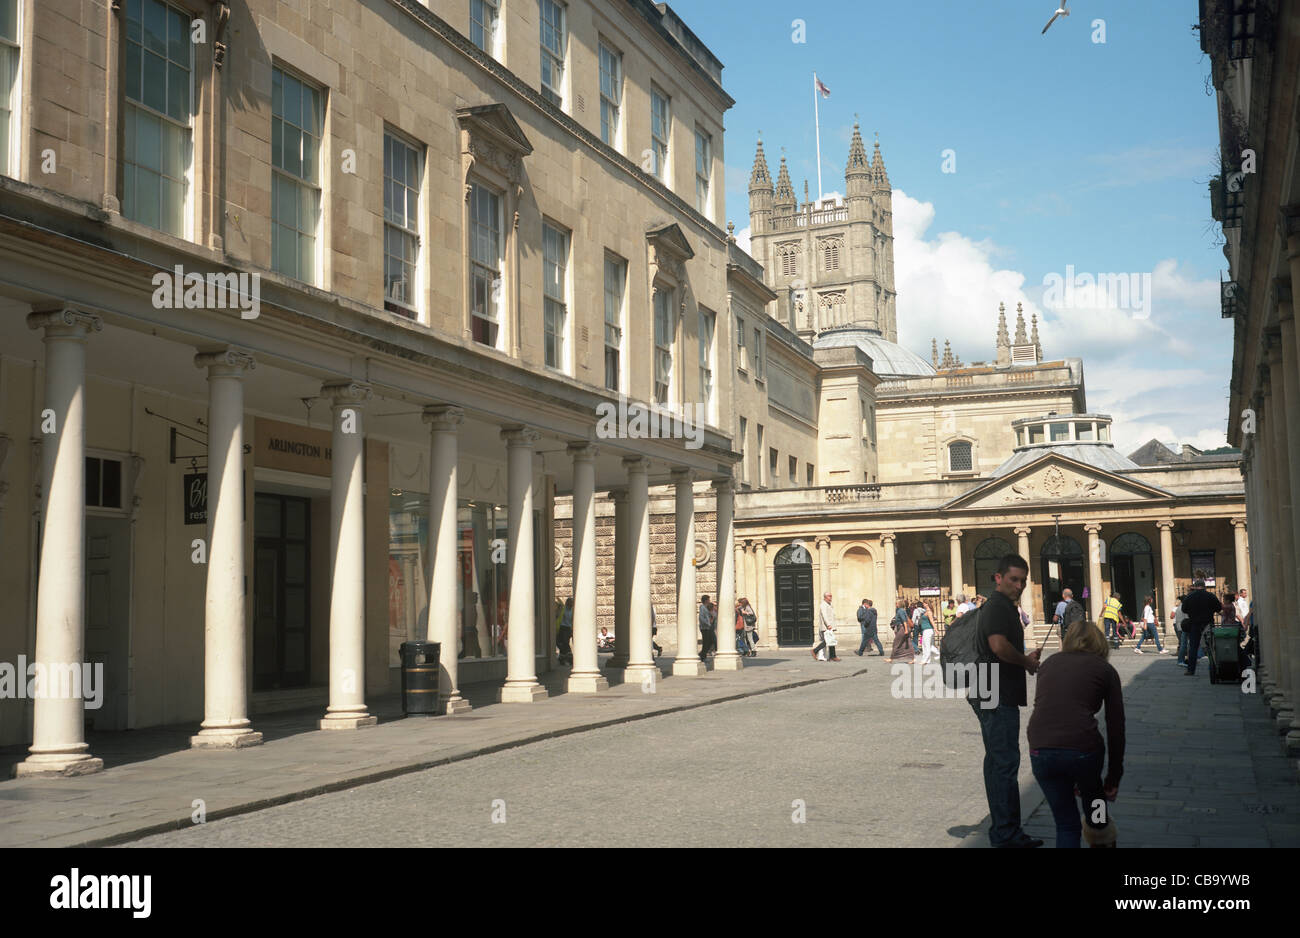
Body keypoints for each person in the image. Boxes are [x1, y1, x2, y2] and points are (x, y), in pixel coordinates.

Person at [1027, 613, 1125, 848]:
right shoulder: (1105, 670)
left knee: (1066, 824)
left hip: (1041, 750)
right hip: (1083, 752)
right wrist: (1113, 776)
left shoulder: (1049, 663)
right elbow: (1116, 726)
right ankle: (1101, 832)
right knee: (1096, 806)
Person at [969, 553, 1043, 848]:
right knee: (1005, 763)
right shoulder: (999, 607)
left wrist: (1023, 658)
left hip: (989, 689)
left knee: (997, 763)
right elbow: (999, 647)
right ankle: (1007, 835)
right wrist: (1025, 661)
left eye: (1023, 581)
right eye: (1014, 579)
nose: (1019, 585)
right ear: (998, 578)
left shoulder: (998, 607)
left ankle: (1003, 831)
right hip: (997, 693)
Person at [1181, 579, 1222, 677]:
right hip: (1208, 623)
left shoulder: (1189, 597)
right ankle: (1214, 667)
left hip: (1194, 623)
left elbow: (1184, 609)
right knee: (1211, 646)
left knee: (1193, 647)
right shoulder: (1210, 596)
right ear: (1204, 586)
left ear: (1195, 586)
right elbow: (1218, 608)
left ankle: (1191, 670)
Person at [812, 592, 840, 661]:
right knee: (828, 641)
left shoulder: (829, 604)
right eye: (829, 596)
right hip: (826, 626)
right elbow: (824, 615)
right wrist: (828, 624)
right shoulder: (823, 605)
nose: (830, 598)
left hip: (830, 626)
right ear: (825, 597)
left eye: (831, 596)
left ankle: (832, 656)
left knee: (831, 641)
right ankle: (815, 650)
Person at [556, 596, 574, 665]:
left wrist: (572, 630)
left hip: (568, 628)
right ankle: (568, 658)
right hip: (562, 628)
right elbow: (558, 616)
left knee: (565, 644)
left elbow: (572, 620)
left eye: (572, 603)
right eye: (570, 602)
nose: (571, 604)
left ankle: (564, 658)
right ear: (567, 603)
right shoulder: (563, 609)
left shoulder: (572, 610)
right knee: (562, 643)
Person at [698, 594, 717, 661]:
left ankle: (702, 654)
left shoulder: (707, 607)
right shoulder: (703, 608)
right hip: (705, 628)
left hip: (708, 627)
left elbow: (712, 615)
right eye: (708, 599)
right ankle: (702, 656)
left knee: (710, 641)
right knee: (707, 642)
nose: (709, 601)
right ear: (706, 600)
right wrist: (708, 623)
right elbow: (701, 618)